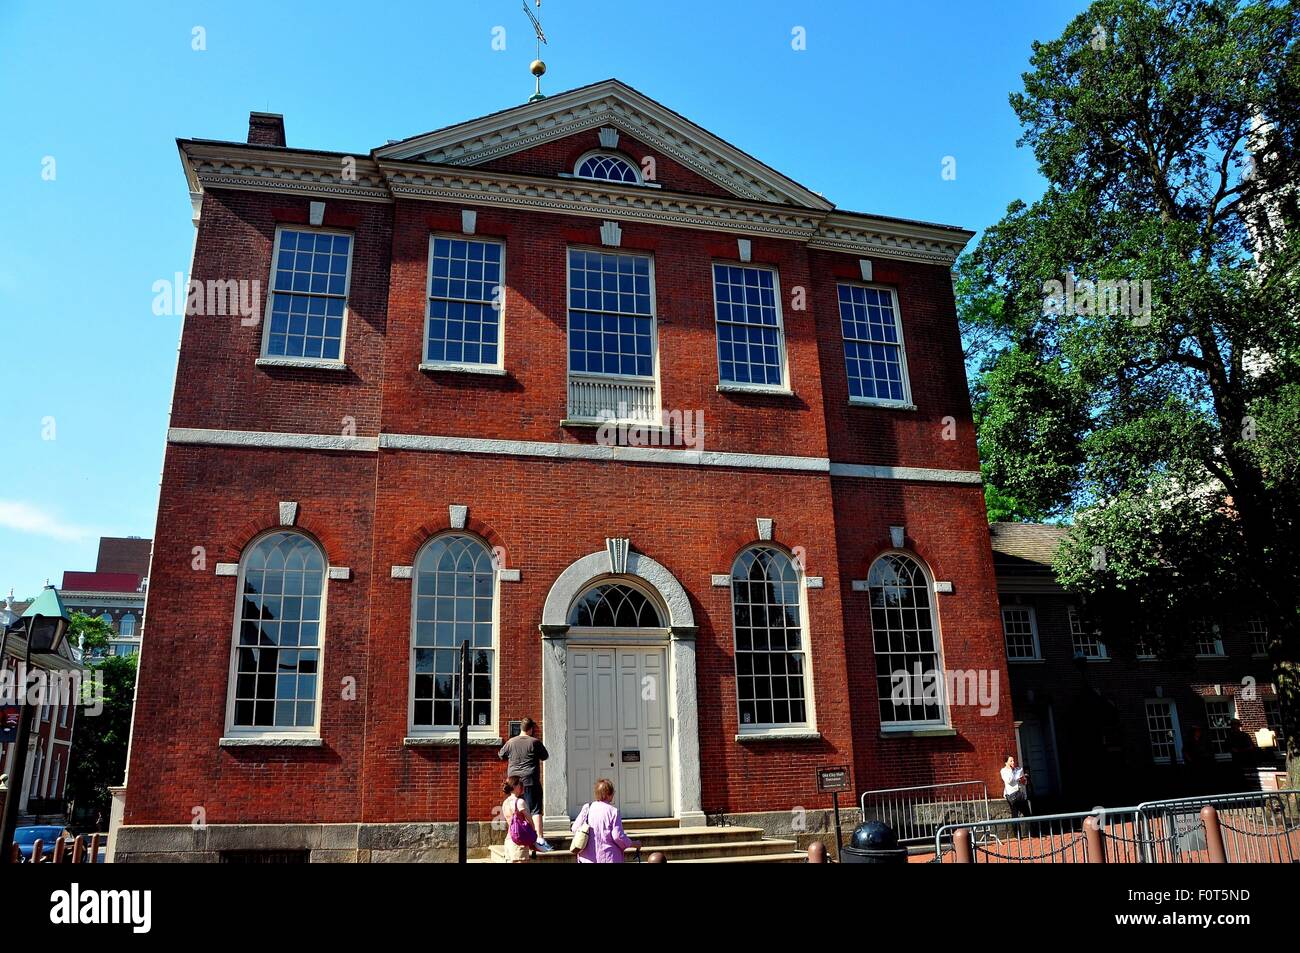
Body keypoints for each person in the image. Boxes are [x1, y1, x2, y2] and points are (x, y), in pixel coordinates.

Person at [498, 717, 551, 851]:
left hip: (514, 781)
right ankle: (539, 839)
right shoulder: (534, 742)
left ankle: (514, 835)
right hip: (530, 780)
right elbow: (545, 756)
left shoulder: (510, 742)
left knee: (514, 809)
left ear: (521, 728)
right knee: (535, 809)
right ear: (531, 729)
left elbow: (501, 755)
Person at [571, 778, 640, 863]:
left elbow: (575, 828)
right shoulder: (613, 812)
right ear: (608, 794)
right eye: (613, 792)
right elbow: (618, 837)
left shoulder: (587, 808)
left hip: (587, 859)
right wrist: (633, 843)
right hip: (609, 857)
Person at [499, 776, 535, 863]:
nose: (522, 786)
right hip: (519, 842)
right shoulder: (520, 802)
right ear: (514, 786)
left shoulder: (505, 803)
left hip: (509, 840)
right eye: (520, 784)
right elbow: (530, 821)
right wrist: (534, 834)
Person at [1000, 754, 1030, 818]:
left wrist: (1023, 779)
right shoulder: (1004, 771)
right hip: (1011, 795)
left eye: (1013, 760)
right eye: (1011, 761)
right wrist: (1011, 770)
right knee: (1015, 815)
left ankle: (1031, 827)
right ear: (1006, 763)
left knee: (1027, 814)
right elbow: (1009, 781)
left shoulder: (1018, 769)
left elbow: (1024, 783)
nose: (1013, 762)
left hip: (1020, 794)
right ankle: (1015, 828)